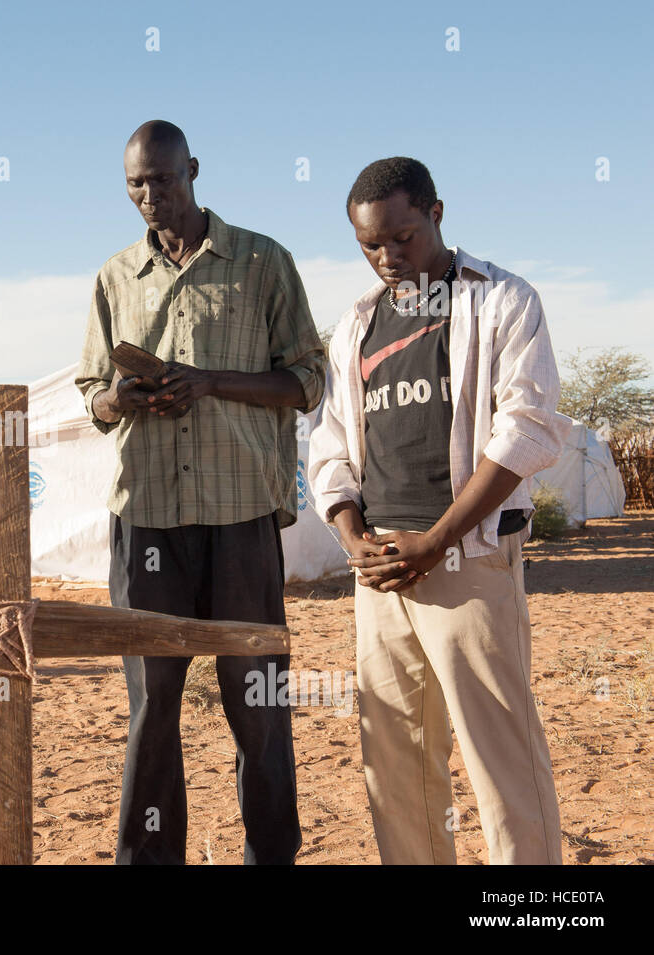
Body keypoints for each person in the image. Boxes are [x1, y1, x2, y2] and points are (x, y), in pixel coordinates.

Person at [75, 120, 325, 864]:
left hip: (240, 513)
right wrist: (121, 397)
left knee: (259, 703)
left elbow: (308, 378)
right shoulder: (114, 277)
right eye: (136, 185)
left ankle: (270, 855)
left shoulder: (261, 262)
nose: (151, 195)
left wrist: (211, 381)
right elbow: (92, 393)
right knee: (152, 709)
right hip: (146, 518)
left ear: (193, 169)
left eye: (163, 179)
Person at [307, 157, 570, 864]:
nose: (388, 257)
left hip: (469, 557)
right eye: (369, 245)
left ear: (437, 214)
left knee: (499, 757)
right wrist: (351, 534)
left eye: (403, 237)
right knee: (395, 760)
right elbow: (329, 446)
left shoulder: (502, 300)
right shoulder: (356, 325)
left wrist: (438, 538)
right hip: (382, 573)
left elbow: (528, 428)